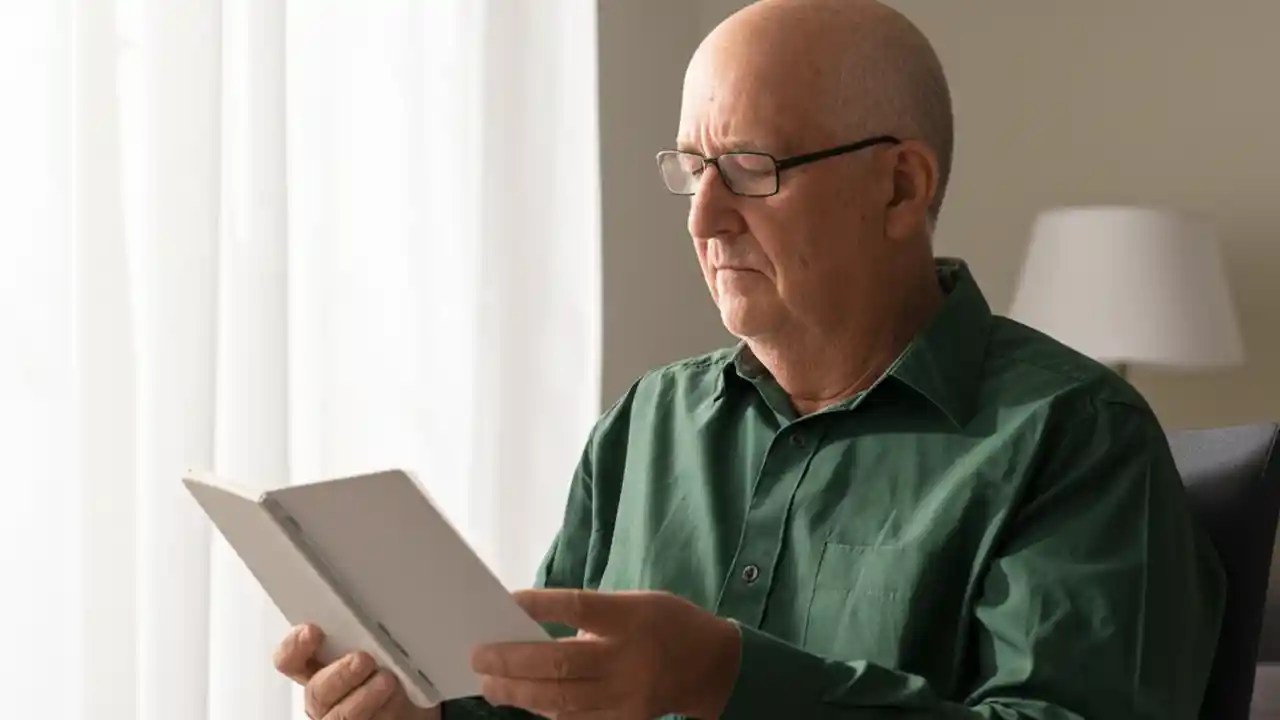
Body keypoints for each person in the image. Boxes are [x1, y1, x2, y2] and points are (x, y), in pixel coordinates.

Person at [273, 0, 1226, 717]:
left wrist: (727, 675)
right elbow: (551, 699)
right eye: (691, 168)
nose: (702, 217)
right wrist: (421, 708)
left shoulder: (1073, 438)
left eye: (752, 169)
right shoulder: (645, 425)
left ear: (901, 186)